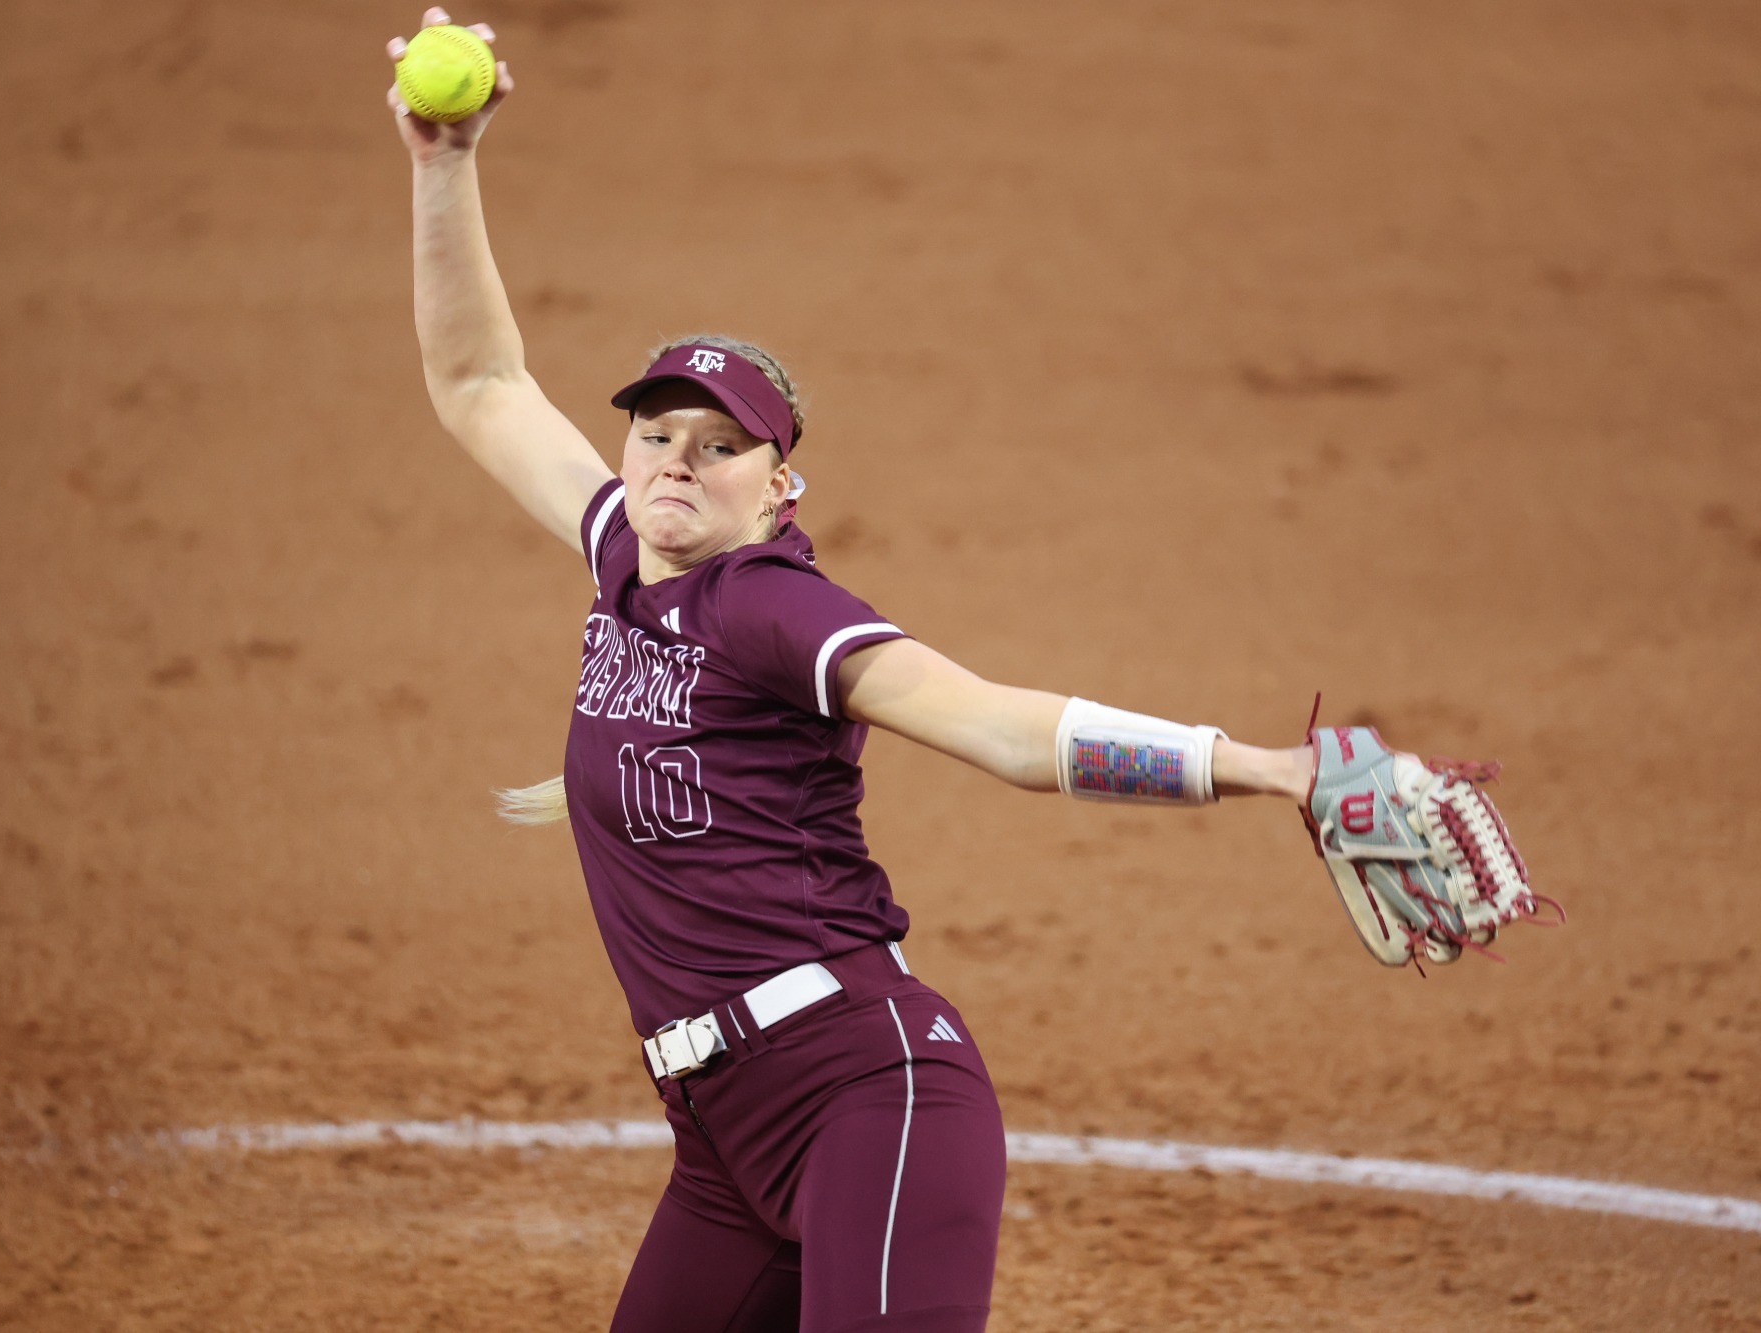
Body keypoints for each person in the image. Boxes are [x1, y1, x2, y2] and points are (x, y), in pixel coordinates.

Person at [387, 12, 1315, 1330]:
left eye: (721, 447)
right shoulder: (617, 550)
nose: (676, 462)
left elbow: (995, 727)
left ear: (780, 486)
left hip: (865, 1094)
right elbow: (480, 380)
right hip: (722, 1141)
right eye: (658, 433)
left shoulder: (772, 610)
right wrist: (445, 163)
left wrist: (1259, 766)